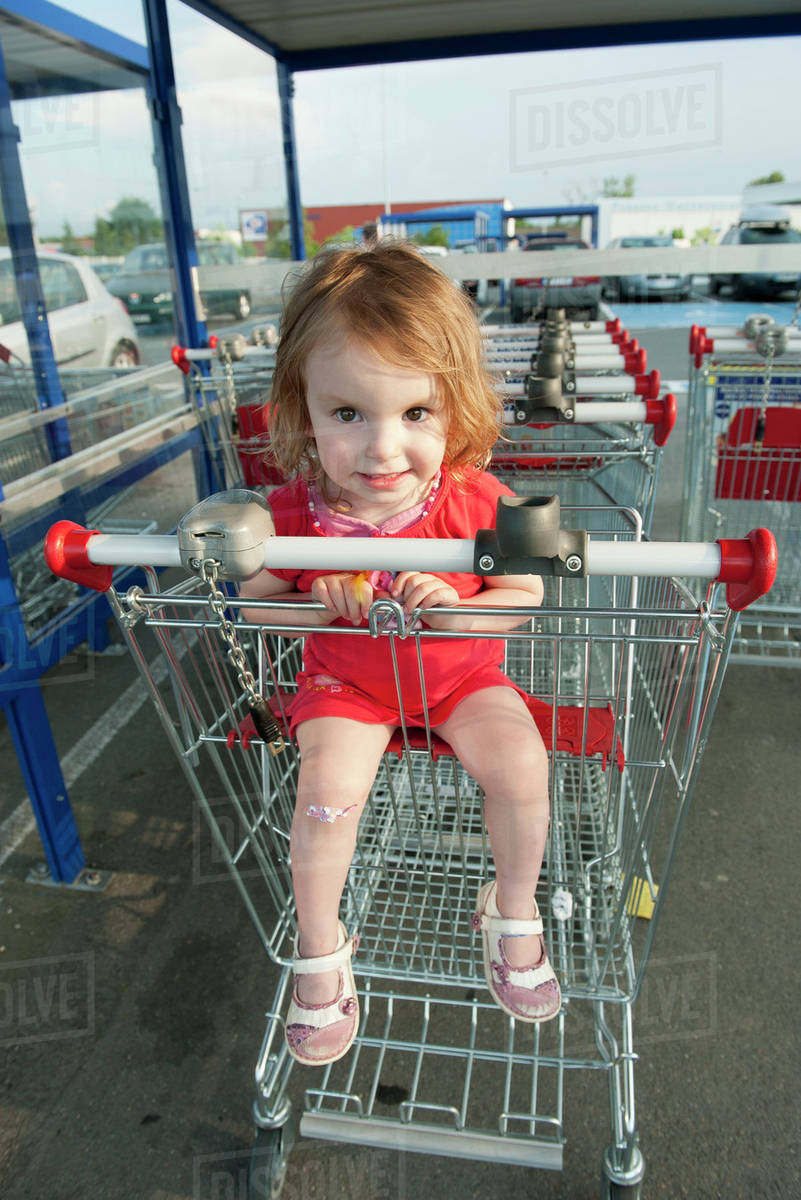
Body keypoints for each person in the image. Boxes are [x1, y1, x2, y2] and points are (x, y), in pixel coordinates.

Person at [240, 243, 560, 1067]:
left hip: (461, 677)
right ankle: (320, 950)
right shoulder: (291, 515)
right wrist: (316, 602)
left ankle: (512, 910)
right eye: (348, 414)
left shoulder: (479, 497)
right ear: (301, 408)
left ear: (454, 407)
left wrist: (462, 614)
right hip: (346, 683)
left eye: (415, 414)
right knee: (325, 795)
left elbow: (528, 591)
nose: (383, 450)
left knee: (522, 767)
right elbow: (249, 602)